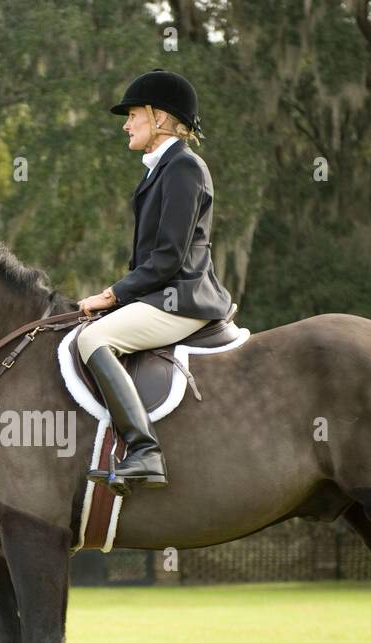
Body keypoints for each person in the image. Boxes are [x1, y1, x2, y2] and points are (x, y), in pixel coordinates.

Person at [75, 68, 234, 494]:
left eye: (133, 116)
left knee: (92, 341)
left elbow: (168, 258)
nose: (126, 125)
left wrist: (112, 295)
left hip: (182, 299)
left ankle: (145, 450)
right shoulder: (159, 171)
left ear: (159, 118)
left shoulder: (184, 168)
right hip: (162, 295)